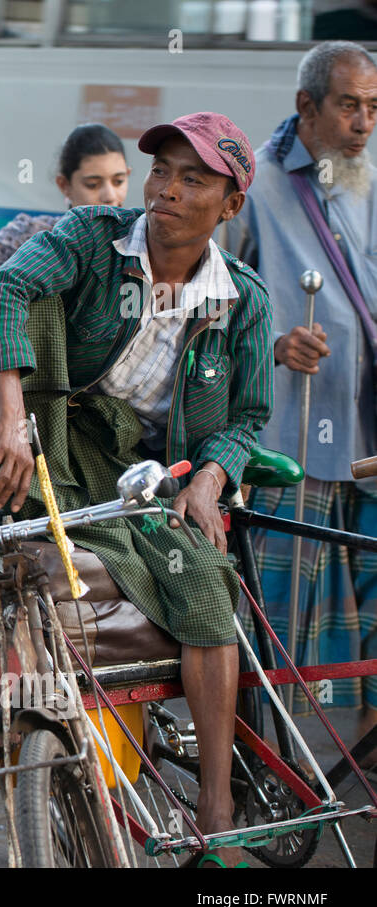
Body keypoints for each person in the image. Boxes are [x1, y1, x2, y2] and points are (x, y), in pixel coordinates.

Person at [0, 113, 271, 866]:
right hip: (53, 430)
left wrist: (213, 477)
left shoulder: (240, 298)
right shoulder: (94, 236)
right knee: (33, 301)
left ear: (229, 205)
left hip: (151, 476)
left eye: (194, 180)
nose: (167, 190)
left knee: (208, 591)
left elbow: (246, 417)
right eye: (162, 172)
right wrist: (14, 416)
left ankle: (216, 802)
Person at [224, 41, 377, 739]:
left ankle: (370, 737)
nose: (364, 122)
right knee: (278, 614)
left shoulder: (366, 177)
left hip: (366, 432)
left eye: (374, 108)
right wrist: (276, 344)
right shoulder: (254, 188)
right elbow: (209, 311)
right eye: (349, 105)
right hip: (293, 433)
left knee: (374, 595)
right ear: (306, 107)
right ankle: (265, 743)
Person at [0, 124, 130, 307]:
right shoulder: (36, 235)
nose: (110, 196)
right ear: (64, 185)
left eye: (119, 181)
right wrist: (6, 310)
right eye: (92, 185)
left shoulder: (138, 242)